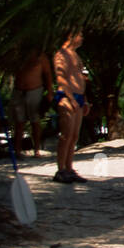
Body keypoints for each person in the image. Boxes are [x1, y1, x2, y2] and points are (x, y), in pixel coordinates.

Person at [52, 28, 88, 183]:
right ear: (70, 36)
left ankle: (69, 167)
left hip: (79, 97)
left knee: (74, 136)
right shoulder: (61, 54)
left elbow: (80, 78)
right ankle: (60, 170)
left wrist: (84, 100)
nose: (82, 37)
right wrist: (70, 97)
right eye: (80, 35)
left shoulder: (76, 55)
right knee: (66, 135)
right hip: (67, 97)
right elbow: (61, 78)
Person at [10, 49, 51, 158]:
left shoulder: (40, 56)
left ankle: (36, 149)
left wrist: (50, 92)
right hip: (19, 90)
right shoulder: (17, 55)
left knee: (35, 122)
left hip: (35, 90)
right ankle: (17, 151)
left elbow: (48, 73)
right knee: (19, 122)